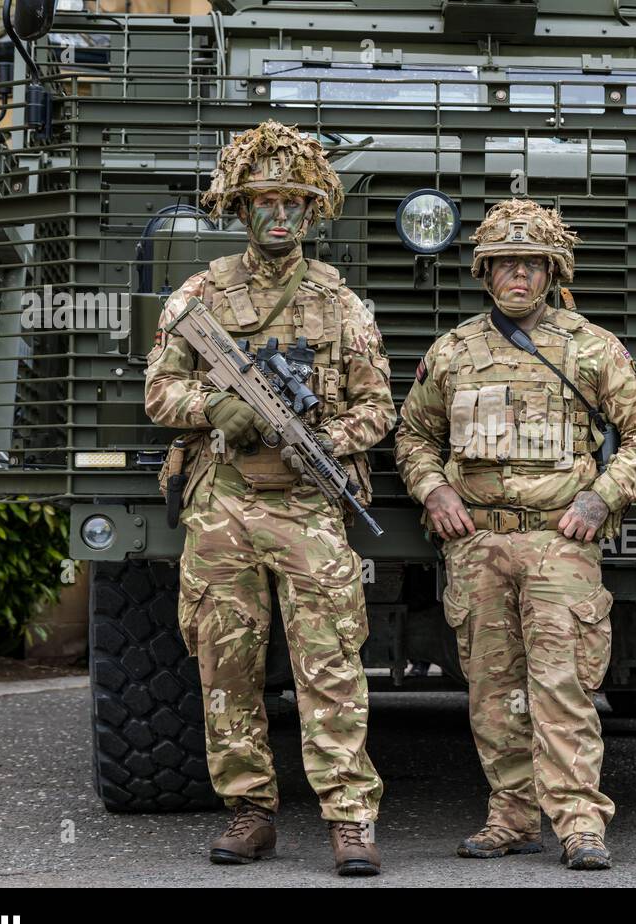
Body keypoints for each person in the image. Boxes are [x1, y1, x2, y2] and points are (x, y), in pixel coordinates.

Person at [144, 120, 392, 876]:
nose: (279, 216)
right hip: (221, 502)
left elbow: (379, 407)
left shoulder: (341, 304)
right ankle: (250, 812)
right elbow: (159, 392)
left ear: (312, 213)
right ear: (240, 209)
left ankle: (350, 820)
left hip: (310, 505)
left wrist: (319, 436)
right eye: (264, 203)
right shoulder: (200, 295)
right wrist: (215, 407)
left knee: (331, 665)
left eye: (292, 203)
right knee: (226, 663)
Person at [394, 199, 636, 870]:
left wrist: (603, 498)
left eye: (533, 265)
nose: (519, 277)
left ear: (552, 272)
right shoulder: (453, 351)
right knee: (492, 691)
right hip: (479, 546)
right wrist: (434, 489)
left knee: (562, 686)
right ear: (485, 273)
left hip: (558, 543)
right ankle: (511, 817)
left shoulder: (591, 347)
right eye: (506, 265)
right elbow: (413, 436)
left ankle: (579, 823)